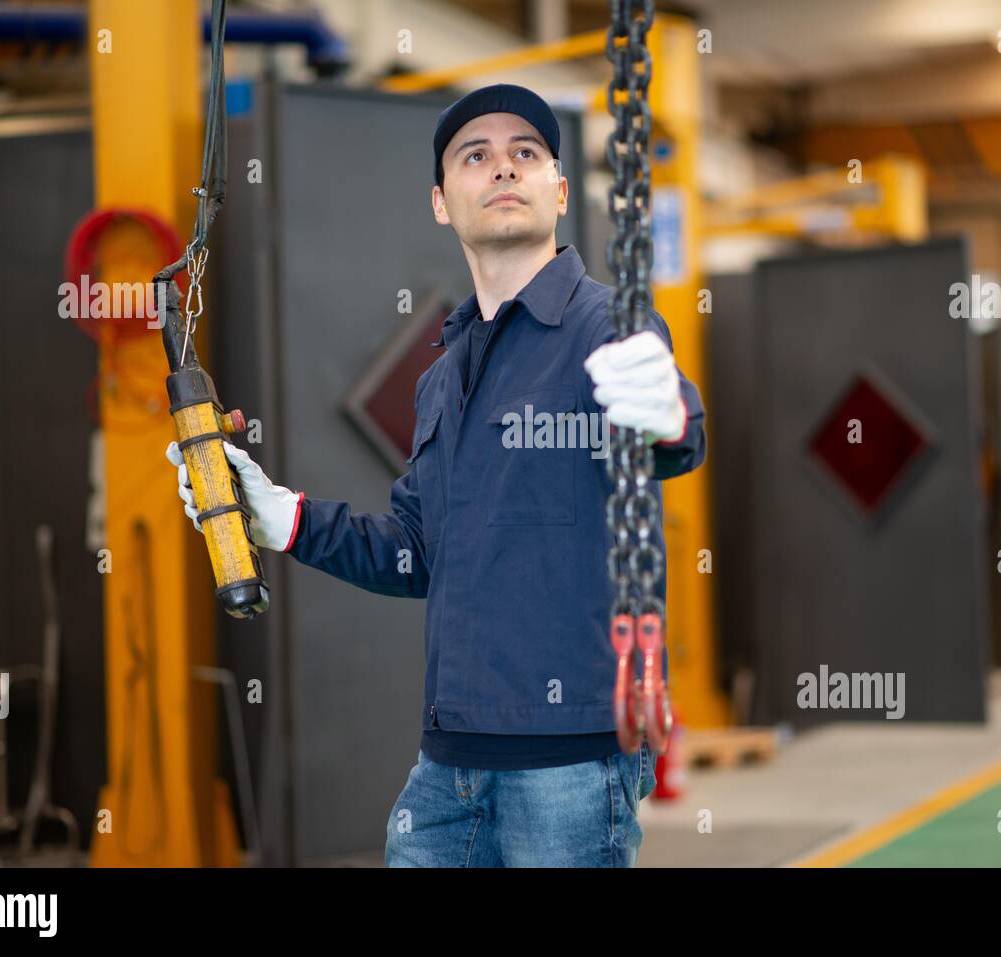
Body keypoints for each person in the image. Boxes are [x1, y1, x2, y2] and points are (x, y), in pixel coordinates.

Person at [165, 83, 706, 867]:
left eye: (526, 153)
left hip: (568, 764)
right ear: (441, 203)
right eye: (475, 157)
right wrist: (280, 516)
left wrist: (671, 418)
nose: (503, 169)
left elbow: (678, 432)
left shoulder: (606, 322)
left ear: (559, 189)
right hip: (446, 768)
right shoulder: (443, 376)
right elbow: (417, 550)